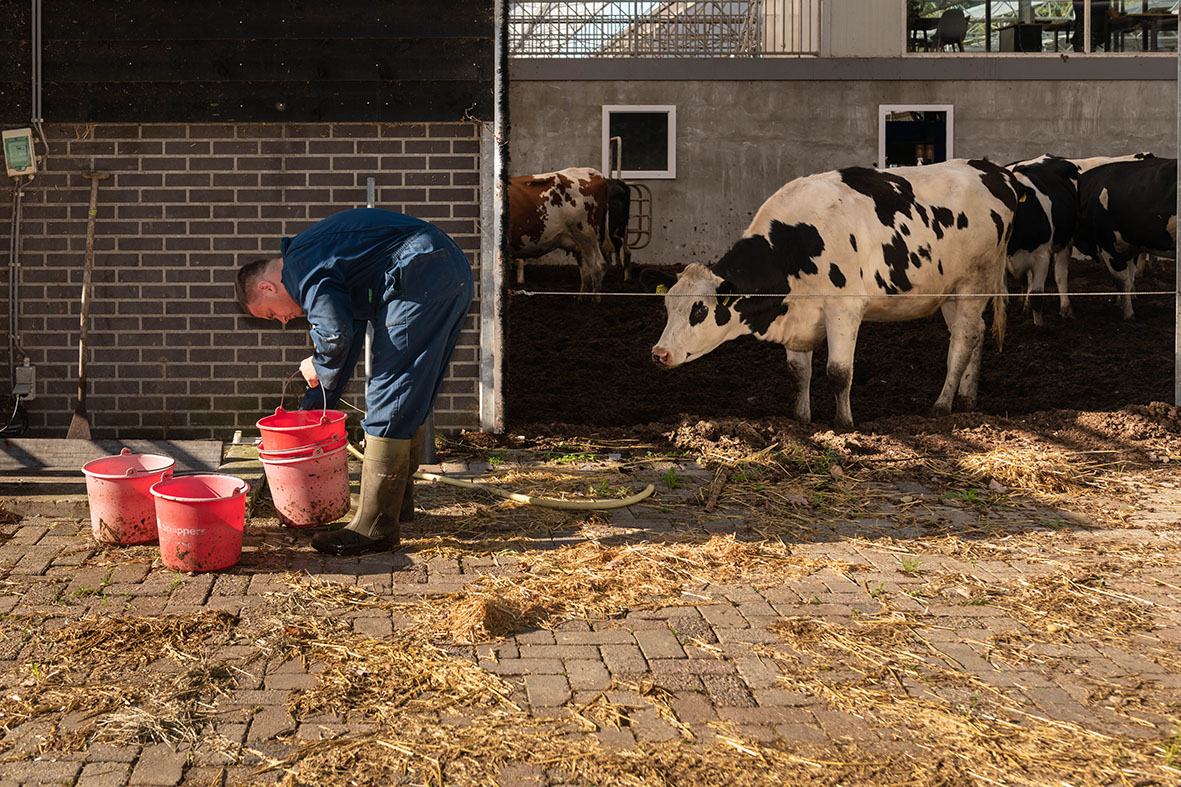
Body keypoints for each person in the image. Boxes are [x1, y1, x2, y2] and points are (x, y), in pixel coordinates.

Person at [236, 208, 474, 556]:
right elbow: (344, 342)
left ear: (266, 286)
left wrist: (318, 361)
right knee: (410, 390)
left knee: (389, 391)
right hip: (445, 270)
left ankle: (375, 527)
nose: (284, 321)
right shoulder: (316, 257)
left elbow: (334, 338)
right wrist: (311, 413)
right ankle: (396, 506)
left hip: (418, 273)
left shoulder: (302, 264)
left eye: (272, 313)